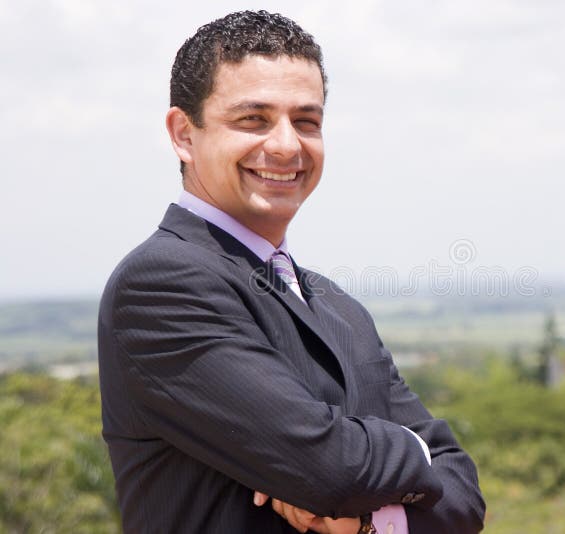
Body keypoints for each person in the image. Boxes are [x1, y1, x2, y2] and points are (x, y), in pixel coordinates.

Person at [98, 10, 485, 533]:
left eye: (306, 121)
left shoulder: (339, 308)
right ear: (184, 133)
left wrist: (368, 521)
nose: (286, 145)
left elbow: (464, 497)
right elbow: (330, 469)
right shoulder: (161, 284)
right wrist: (415, 450)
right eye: (253, 119)